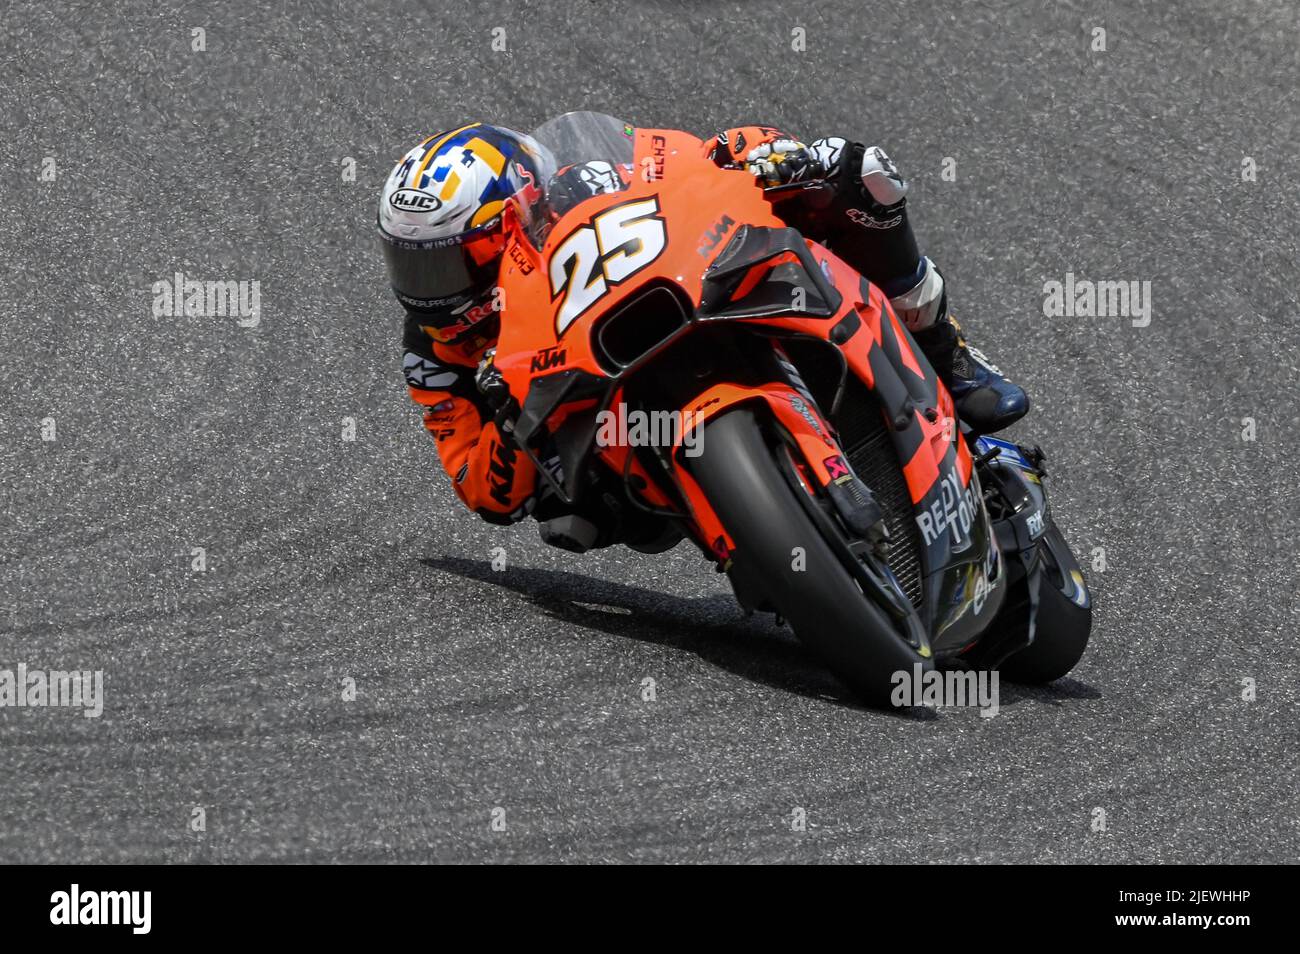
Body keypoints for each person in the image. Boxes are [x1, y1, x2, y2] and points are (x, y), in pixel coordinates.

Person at [377, 121, 1029, 529]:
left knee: (861, 175)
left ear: (516, 218)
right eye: (410, 266)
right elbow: (481, 490)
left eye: (447, 266)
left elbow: (688, 160)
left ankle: (946, 353)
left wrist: (772, 155)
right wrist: (507, 419)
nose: (430, 294)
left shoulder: (579, 185)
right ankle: (773, 529)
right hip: (602, 453)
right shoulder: (436, 355)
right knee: (569, 517)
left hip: (676, 290)